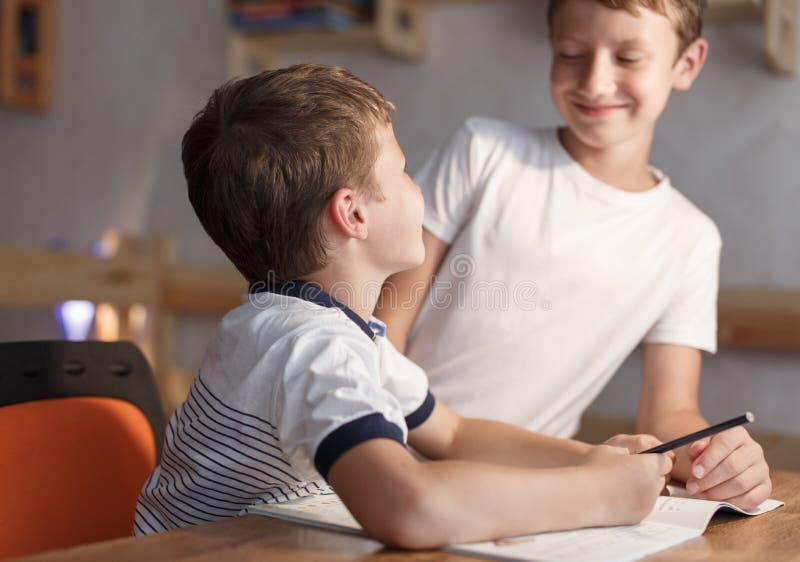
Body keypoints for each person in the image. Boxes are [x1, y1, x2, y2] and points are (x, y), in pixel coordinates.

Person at [133, 64, 672, 548]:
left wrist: (596, 460)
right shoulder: (313, 348)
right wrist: (597, 495)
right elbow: (408, 505)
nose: (419, 191)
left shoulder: (305, 325)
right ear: (354, 214)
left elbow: (454, 434)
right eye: (403, 172)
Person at [376, 0, 771, 510]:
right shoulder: (484, 152)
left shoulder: (689, 238)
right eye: (570, 53)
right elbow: (384, 329)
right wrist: (378, 454)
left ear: (686, 64)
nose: (594, 80)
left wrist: (722, 460)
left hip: (524, 493)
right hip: (386, 458)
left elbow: (668, 417)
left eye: (628, 58)